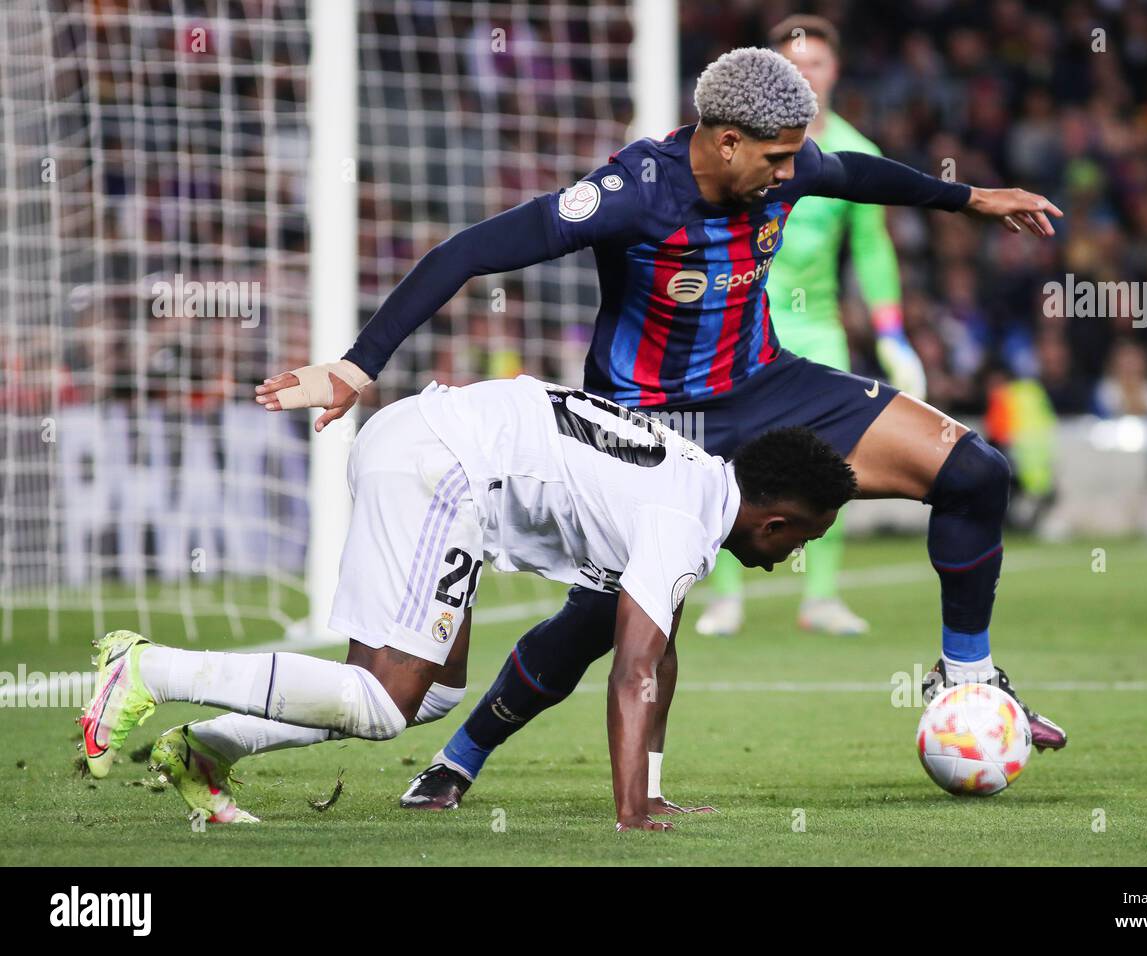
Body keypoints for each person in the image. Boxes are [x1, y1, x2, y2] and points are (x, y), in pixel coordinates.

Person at [256, 47, 1068, 814]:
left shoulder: (784, 164)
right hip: (647, 422)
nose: (795, 174)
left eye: (795, 158)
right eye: (779, 160)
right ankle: (462, 755)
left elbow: (853, 173)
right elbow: (468, 251)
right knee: (612, 621)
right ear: (724, 141)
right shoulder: (634, 191)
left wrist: (971, 198)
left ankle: (967, 680)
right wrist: (360, 365)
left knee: (974, 472)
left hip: (763, 383)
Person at [79, 374, 857, 830]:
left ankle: (207, 750)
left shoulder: (694, 482)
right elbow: (634, 672)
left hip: (435, 455)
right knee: (383, 701)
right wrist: (633, 813)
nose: (797, 554)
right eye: (805, 539)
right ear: (776, 520)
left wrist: (652, 787)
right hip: (443, 469)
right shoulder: (686, 520)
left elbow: (659, 655)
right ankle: (150, 668)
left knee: (426, 698)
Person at [697, 16, 925, 638]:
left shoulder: (856, 154)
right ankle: (725, 595)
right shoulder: (739, 145)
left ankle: (820, 595)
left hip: (816, 325)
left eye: (817, 63)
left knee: (836, 461)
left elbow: (873, 252)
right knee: (724, 457)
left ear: (835, 71)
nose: (807, 73)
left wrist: (891, 332)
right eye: (793, 63)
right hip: (740, 323)